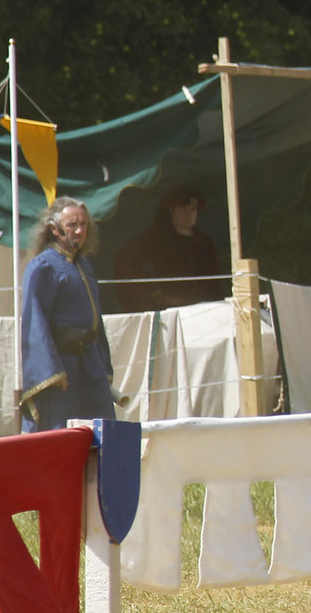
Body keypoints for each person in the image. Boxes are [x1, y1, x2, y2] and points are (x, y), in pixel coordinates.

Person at [20, 196, 115, 432]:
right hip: (63, 369)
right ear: (55, 228)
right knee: (61, 432)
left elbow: (95, 321)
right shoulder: (43, 267)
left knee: (99, 433)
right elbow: (35, 321)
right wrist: (51, 371)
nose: (79, 230)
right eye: (72, 225)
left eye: (83, 224)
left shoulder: (85, 266)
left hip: (90, 364)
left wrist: (103, 364)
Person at [112, 184, 223, 311]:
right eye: (183, 209)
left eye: (192, 209)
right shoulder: (156, 237)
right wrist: (154, 292)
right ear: (172, 209)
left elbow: (214, 280)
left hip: (203, 309)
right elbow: (123, 260)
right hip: (168, 310)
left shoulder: (204, 242)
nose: (188, 214)